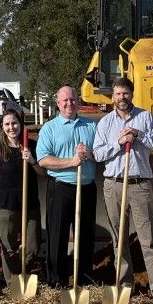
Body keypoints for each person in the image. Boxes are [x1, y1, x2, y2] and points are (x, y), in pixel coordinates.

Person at [92, 77, 153, 302]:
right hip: (114, 184)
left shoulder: (145, 117)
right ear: (112, 96)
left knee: (148, 238)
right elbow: (98, 154)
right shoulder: (105, 123)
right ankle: (125, 284)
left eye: (125, 93)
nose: (121, 98)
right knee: (119, 237)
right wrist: (118, 142)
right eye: (117, 94)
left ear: (132, 94)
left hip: (139, 184)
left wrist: (139, 135)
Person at [36, 85, 98, 290]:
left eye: (72, 100)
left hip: (86, 187)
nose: (69, 103)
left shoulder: (91, 126)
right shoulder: (49, 128)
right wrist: (71, 162)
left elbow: (102, 154)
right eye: (65, 100)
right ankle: (57, 280)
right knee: (58, 235)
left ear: (78, 102)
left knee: (85, 235)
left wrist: (89, 154)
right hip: (61, 188)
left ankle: (84, 278)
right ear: (58, 103)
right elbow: (43, 160)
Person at [0, 108, 44, 290]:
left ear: (21, 124)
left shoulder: (33, 146)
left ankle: (22, 274)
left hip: (30, 204)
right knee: (9, 247)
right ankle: (12, 283)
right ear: (2, 127)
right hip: (5, 205)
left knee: (32, 246)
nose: (12, 127)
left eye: (15, 123)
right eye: (7, 124)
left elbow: (43, 174)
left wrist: (32, 160)